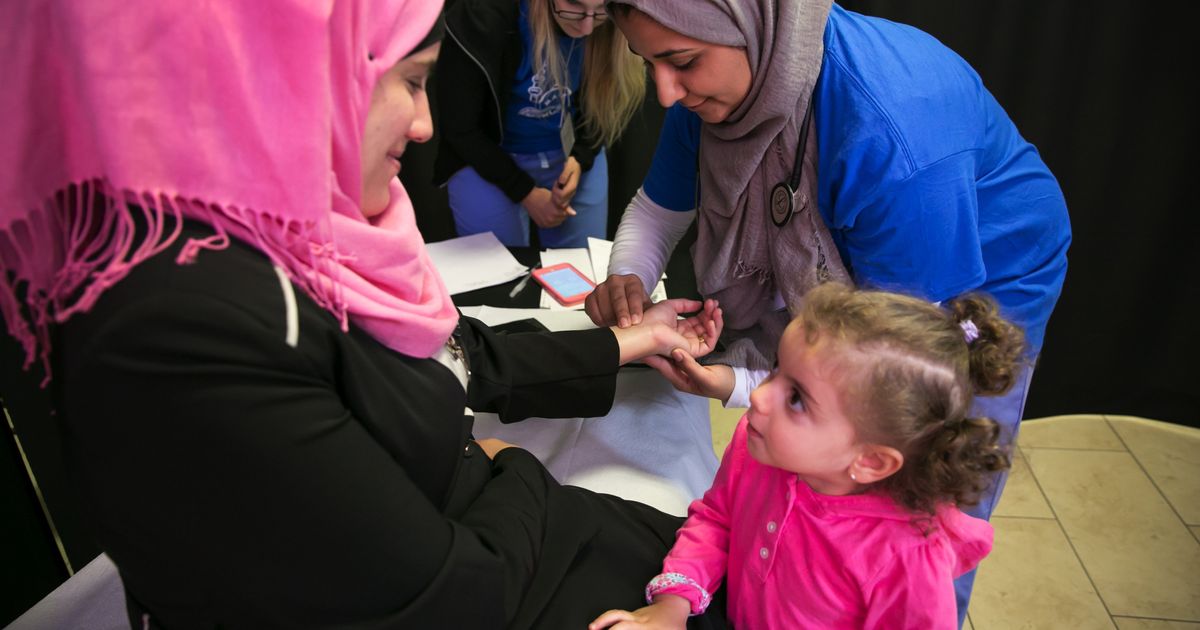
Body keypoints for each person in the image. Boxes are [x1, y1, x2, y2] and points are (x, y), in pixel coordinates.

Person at [0, 1, 731, 627]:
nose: (422, 127)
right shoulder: (180, 334)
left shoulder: (279, 240)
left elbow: (459, 355)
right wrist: (514, 474)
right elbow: (447, 594)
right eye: (411, 84)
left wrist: (622, 345)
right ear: (284, 76)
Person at [587, 0, 1072, 620]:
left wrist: (739, 383)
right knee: (811, 458)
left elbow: (875, 373)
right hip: (890, 259)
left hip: (980, 269)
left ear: (750, 27)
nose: (663, 91)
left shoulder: (891, 128)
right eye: (646, 61)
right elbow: (660, 207)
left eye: (680, 62)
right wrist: (630, 277)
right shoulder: (719, 76)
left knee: (916, 500)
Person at [590, 283, 1024, 629]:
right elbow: (718, 519)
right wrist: (672, 605)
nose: (759, 396)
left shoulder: (907, 562)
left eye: (796, 398)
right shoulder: (759, 446)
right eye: (776, 370)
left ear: (870, 460)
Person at [433, 0, 644, 247]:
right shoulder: (480, 15)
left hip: (569, 155)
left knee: (581, 272)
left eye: (601, 11)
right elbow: (460, 129)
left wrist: (581, 158)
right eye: (574, 6)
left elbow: (602, 106)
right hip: (485, 158)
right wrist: (526, 193)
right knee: (497, 269)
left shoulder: (615, 22)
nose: (587, 27)